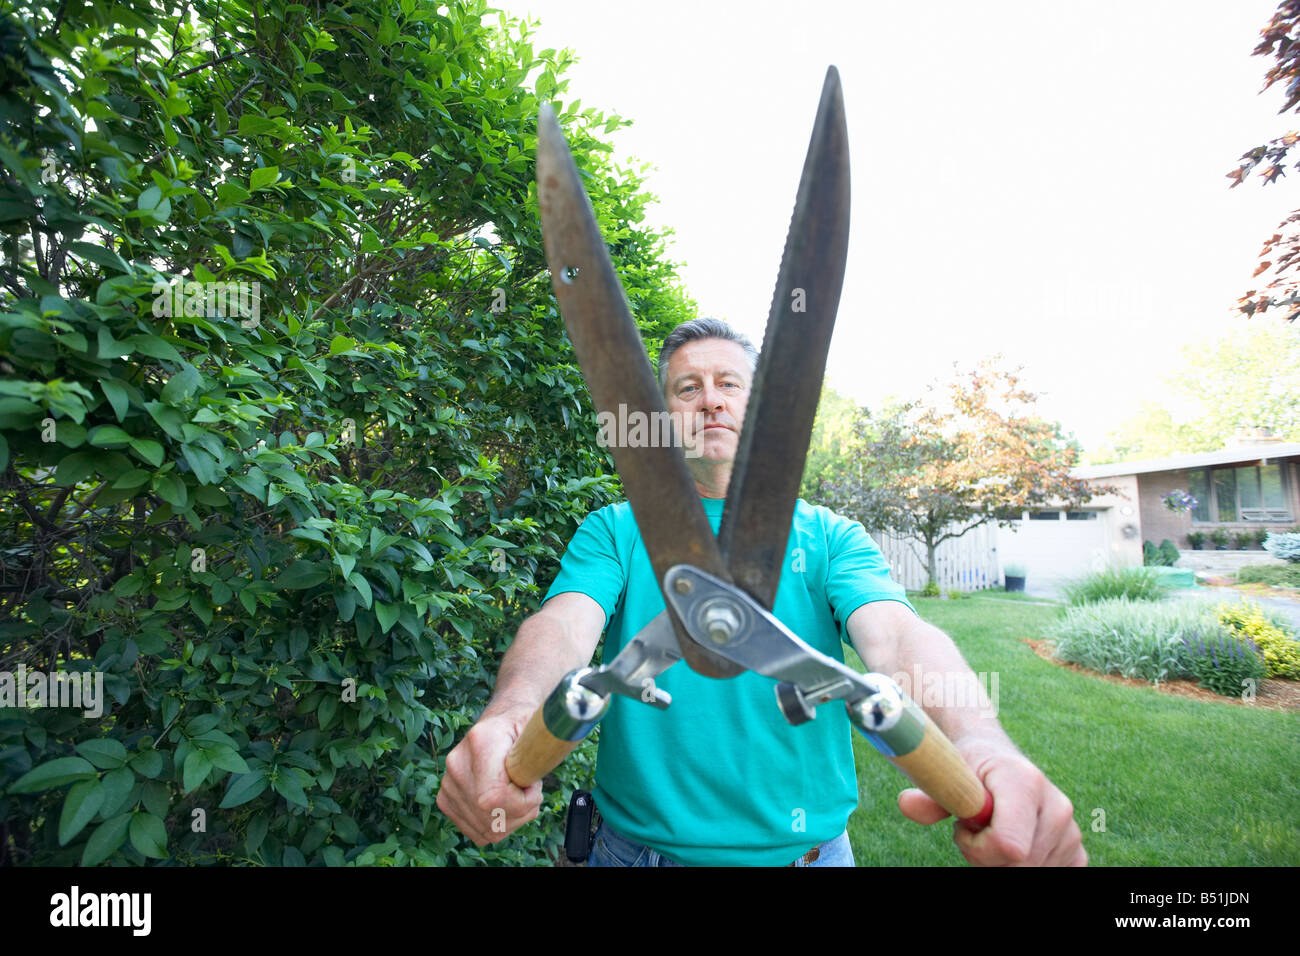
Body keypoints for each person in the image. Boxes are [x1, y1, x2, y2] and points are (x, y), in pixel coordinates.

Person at [436, 318, 1087, 867]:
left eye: (729, 384)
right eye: (687, 388)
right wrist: (513, 712)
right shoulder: (616, 529)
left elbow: (896, 635)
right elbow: (563, 624)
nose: (710, 400)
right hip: (634, 854)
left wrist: (979, 738)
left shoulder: (829, 535)